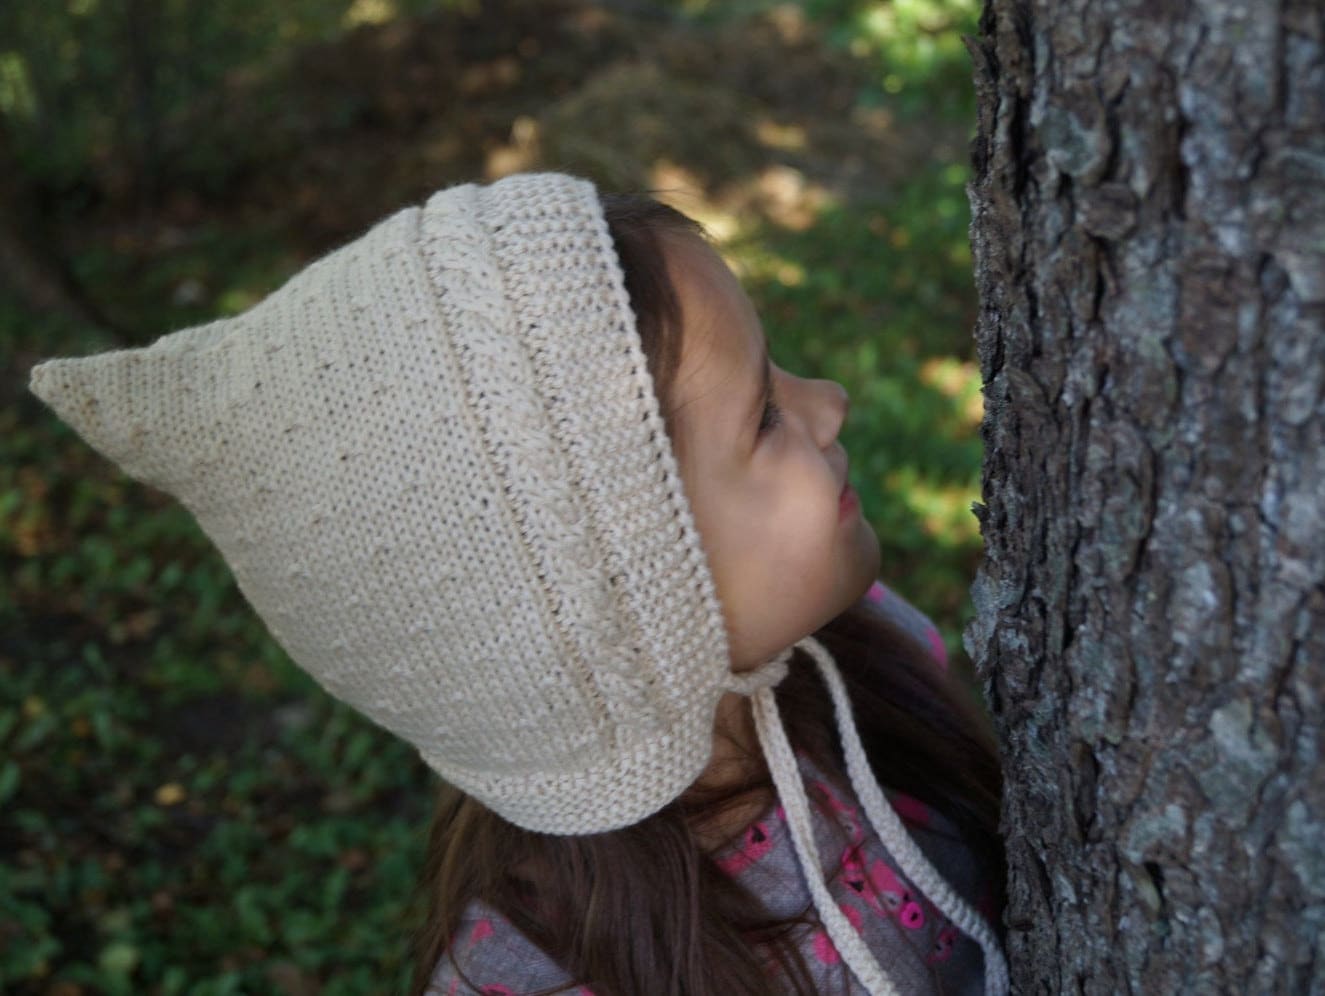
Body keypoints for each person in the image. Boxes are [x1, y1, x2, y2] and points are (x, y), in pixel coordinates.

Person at [29, 173, 1008, 995]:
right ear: (613, 604)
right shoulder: (553, 972)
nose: (829, 403)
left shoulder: (865, 660)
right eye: (762, 417)